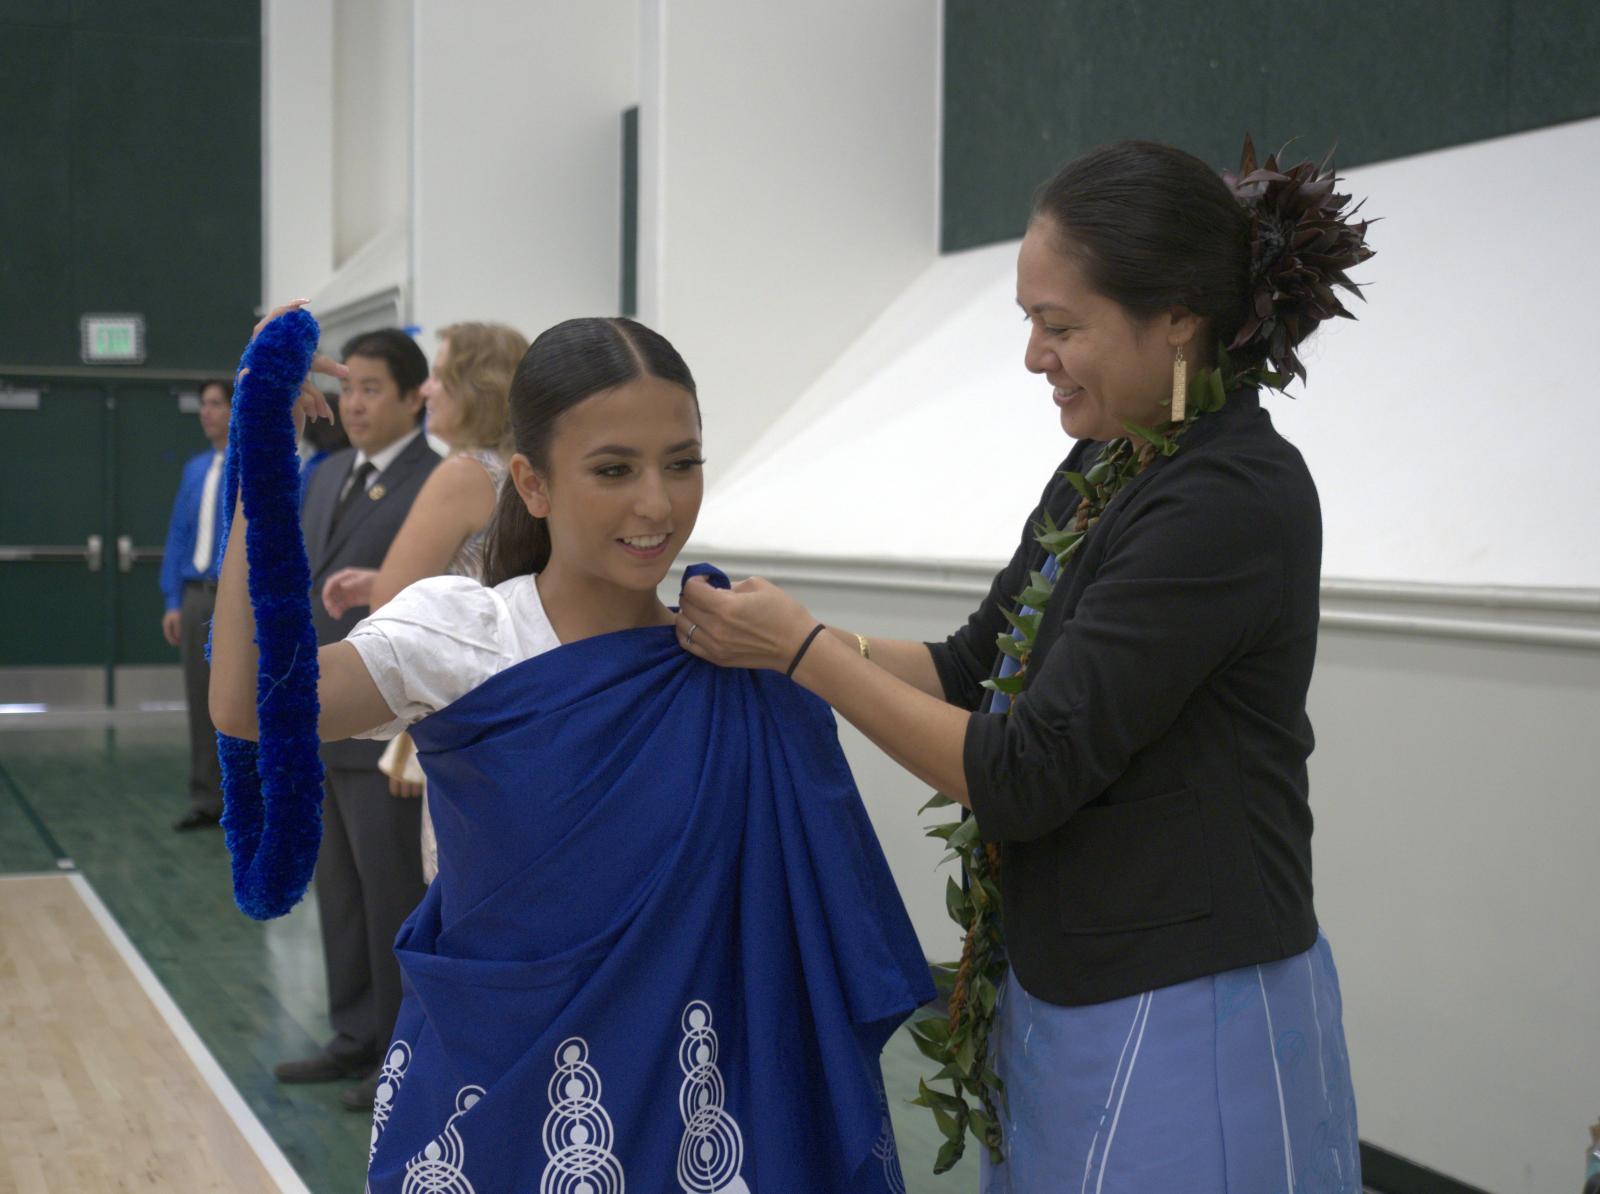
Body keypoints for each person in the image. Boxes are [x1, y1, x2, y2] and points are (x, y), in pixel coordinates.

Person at [676, 139, 1371, 1191]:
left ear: (1176, 316)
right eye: (1029, 324)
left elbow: (1021, 774)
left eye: (1060, 326)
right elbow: (970, 669)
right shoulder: (1110, 462)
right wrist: (790, 639)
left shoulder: (1230, 498)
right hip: (1073, 978)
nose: (1035, 358)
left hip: (1185, 1001)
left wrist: (805, 654)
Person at [210, 308, 930, 1190]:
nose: (657, 503)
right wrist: (260, 460)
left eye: (682, 464)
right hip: (493, 1095)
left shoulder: (733, 649)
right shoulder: (465, 632)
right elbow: (253, 705)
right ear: (533, 482)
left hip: (698, 1117)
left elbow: (947, 687)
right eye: (614, 470)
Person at [275, 327, 441, 1111]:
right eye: (350, 388)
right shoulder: (327, 471)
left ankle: (399, 1052)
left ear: (416, 397)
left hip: (384, 717)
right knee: (336, 888)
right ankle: (352, 1034)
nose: (356, 402)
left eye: (374, 387)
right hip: (317, 716)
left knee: (391, 894)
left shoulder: (437, 481)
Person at [319, 321, 529, 880]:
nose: (429, 390)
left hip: (449, 715)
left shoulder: (461, 474)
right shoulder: (524, 476)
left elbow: (395, 608)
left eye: (440, 376)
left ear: (475, 386)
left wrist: (379, 584)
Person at [160, 378, 232, 831]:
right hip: (194, 595)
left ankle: (250, 802)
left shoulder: (252, 466)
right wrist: (172, 599)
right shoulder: (195, 469)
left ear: (233, 409)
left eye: (214, 404)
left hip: (235, 600)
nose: (205, 412)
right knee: (199, 699)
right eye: (202, 405)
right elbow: (179, 535)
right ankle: (207, 799)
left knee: (241, 700)